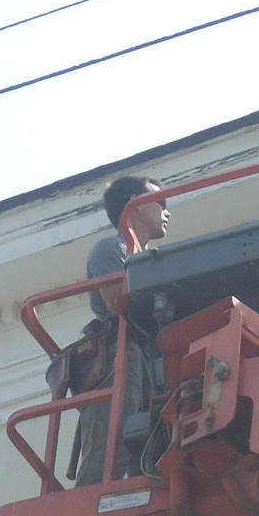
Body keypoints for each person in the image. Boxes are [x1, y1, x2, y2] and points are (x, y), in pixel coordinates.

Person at [74, 175, 170, 485]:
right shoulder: (111, 247)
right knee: (112, 440)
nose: (168, 211)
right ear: (135, 205)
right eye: (160, 202)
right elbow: (122, 304)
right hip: (120, 353)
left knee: (148, 448)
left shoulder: (146, 259)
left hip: (145, 357)